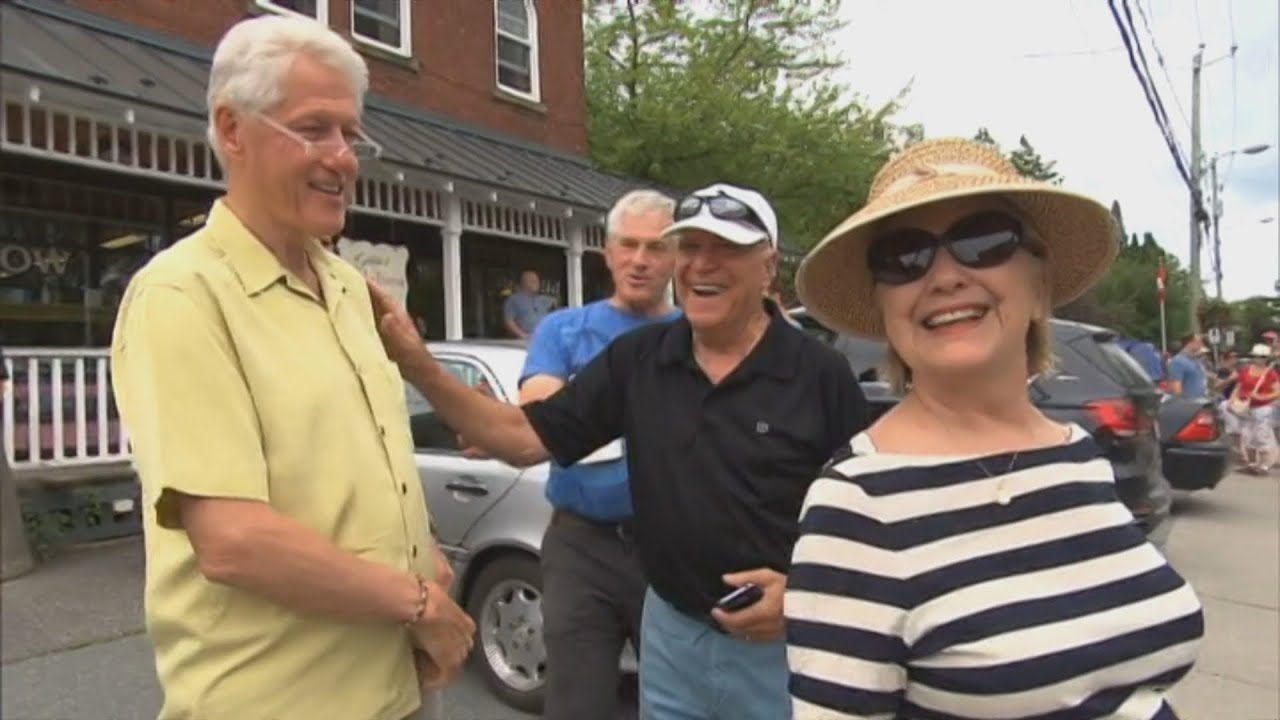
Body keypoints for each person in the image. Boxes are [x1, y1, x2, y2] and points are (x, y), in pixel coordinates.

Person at [369, 182, 870, 720]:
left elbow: (868, 518)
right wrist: (418, 365)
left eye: (725, 247)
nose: (702, 264)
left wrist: (800, 593)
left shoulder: (819, 374)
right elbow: (523, 438)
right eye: (690, 246)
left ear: (767, 266)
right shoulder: (640, 359)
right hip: (670, 634)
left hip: (778, 646)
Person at [109, 16, 473, 720]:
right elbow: (234, 541)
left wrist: (423, 552)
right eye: (313, 129)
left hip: (395, 688)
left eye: (351, 134)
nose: (343, 158)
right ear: (233, 129)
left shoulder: (347, 287)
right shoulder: (181, 296)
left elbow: (365, 468)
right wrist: (418, 602)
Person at [787, 137, 1204, 719]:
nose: (945, 276)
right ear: (884, 306)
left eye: (983, 241)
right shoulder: (858, 504)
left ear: (1039, 284)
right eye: (905, 256)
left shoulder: (1076, 454)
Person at [520, 189, 681, 719]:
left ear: (676, 257)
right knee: (577, 704)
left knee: (679, 701)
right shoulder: (563, 329)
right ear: (608, 253)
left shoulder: (696, 333)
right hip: (581, 546)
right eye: (628, 245)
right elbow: (540, 410)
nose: (640, 260)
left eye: (656, 247)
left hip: (673, 546)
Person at [1228, 343, 1279, 474]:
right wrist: (1232, 400)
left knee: (1261, 435)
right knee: (1248, 436)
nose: (1258, 359)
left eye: (1261, 357)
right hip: (1246, 407)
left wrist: (1262, 397)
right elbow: (1238, 387)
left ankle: (1263, 465)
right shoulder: (1245, 371)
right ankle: (1251, 463)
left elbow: (1277, 391)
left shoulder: (1270, 373)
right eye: (1256, 356)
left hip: (1262, 408)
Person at [503, 269, 554, 340]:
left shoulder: (544, 300)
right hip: (524, 341)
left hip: (545, 339)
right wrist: (523, 335)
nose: (536, 283)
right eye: (532, 281)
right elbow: (509, 321)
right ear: (523, 283)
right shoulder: (514, 300)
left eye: (537, 281)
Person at [1167, 332, 1208, 398]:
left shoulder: (1196, 360)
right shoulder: (1178, 361)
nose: (1202, 345)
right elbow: (1176, 387)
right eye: (1199, 342)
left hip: (1201, 400)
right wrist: (1181, 402)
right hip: (1189, 402)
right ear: (1189, 343)